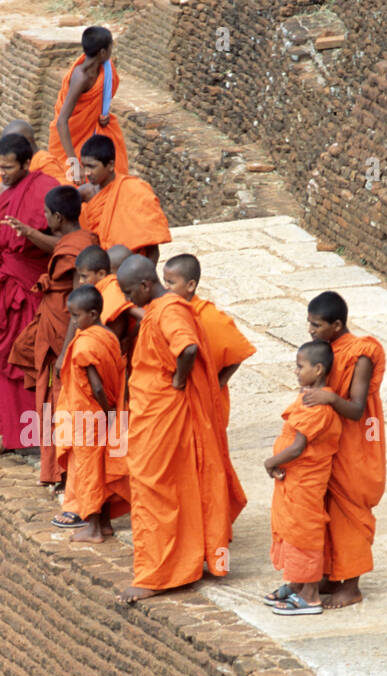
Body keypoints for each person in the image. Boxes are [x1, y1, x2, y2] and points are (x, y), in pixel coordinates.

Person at [114, 255, 244, 603]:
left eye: (129, 292)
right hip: (155, 412)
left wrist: (178, 380)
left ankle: (159, 573)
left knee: (155, 486)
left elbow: (187, 347)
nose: (128, 300)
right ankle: (185, 559)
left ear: (145, 285)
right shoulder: (160, 308)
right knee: (177, 484)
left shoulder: (170, 310)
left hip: (165, 411)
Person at [8, 185, 99, 490]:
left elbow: (79, 300)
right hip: (55, 323)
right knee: (51, 401)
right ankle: (57, 468)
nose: (44, 219)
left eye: (46, 214)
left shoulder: (76, 251)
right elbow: (57, 245)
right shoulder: (80, 240)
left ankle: (62, 470)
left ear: (58, 217)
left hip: (64, 335)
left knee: (59, 402)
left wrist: (64, 354)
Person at [302, 291, 386, 609]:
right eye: (309, 323)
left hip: (356, 442)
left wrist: (330, 399)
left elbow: (356, 407)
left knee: (349, 510)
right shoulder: (324, 350)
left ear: (337, 325)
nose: (311, 330)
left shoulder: (360, 353)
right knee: (325, 507)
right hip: (331, 441)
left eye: (317, 325)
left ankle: (351, 585)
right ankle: (331, 573)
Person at [0, 131, 60, 460]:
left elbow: (63, 241)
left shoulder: (47, 190)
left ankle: (41, 437)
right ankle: (9, 433)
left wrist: (29, 233)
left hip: (33, 286)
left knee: (34, 360)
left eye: (10, 168)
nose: (3, 174)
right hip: (4, 286)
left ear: (27, 163)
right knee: (4, 359)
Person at [264, 340, 341, 616]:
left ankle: (310, 596)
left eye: (300, 366)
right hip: (293, 478)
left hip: (305, 482)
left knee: (303, 532)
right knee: (289, 528)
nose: (296, 371)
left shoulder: (319, 406)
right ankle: (297, 583)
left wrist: (271, 461)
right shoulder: (310, 395)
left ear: (318, 369)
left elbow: (297, 447)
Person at [53, 284, 130, 543]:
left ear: (94, 313)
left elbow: (96, 384)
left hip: (90, 415)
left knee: (89, 474)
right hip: (104, 414)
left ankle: (93, 528)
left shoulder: (86, 344)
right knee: (102, 469)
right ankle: (105, 524)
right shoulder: (108, 335)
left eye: (77, 316)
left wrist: (106, 411)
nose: (73, 322)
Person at [161, 252, 256, 434]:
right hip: (177, 396)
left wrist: (220, 381)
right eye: (164, 281)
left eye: (171, 283)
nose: (166, 288)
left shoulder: (208, 316)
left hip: (205, 395)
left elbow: (239, 350)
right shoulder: (168, 312)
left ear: (190, 285)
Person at [47, 26, 129, 184]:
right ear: (103, 52)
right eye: (111, 47)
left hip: (93, 129)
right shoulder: (81, 77)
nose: (112, 51)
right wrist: (73, 163)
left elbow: (101, 96)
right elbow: (62, 121)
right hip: (70, 138)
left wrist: (103, 113)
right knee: (70, 184)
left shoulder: (105, 68)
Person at [77, 135, 170, 263]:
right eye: (84, 166)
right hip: (97, 270)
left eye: (92, 167)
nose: (86, 173)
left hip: (132, 271)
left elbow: (151, 247)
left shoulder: (135, 191)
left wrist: (146, 277)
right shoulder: (84, 193)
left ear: (110, 165)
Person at [0, 119, 65, 183]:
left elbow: (62, 191)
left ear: (27, 141)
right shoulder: (21, 163)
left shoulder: (45, 164)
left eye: (12, 145)